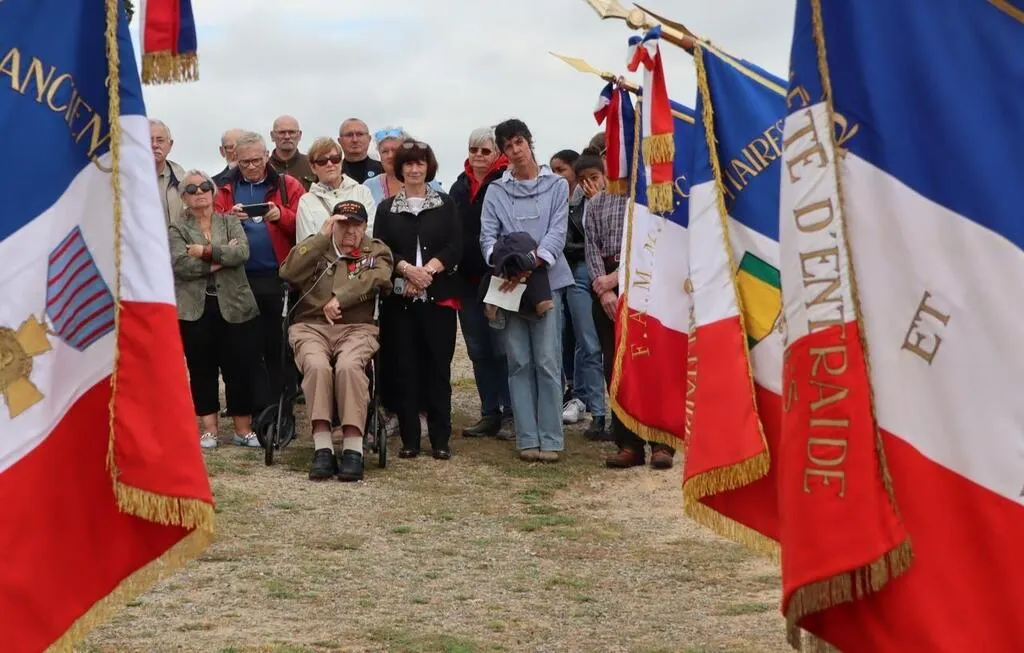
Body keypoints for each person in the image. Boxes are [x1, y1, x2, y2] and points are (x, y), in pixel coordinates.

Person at [279, 200, 394, 481]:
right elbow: (287, 273)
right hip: (311, 326)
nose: (349, 231)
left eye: (356, 225)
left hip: (357, 327)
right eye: (343, 224)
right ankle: (323, 448)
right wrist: (321, 238)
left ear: (365, 226)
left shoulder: (375, 250)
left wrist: (340, 297)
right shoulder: (316, 247)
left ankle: (354, 447)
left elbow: (379, 278)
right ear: (333, 224)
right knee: (317, 366)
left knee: (349, 367)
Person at [481, 119, 571, 462]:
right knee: (518, 361)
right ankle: (526, 438)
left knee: (548, 361)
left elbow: (557, 232)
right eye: (508, 147)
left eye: (519, 142)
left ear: (529, 142)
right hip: (508, 286)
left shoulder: (557, 186)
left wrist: (531, 262)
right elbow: (487, 237)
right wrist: (505, 264)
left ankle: (551, 438)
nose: (515, 150)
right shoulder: (496, 191)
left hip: (547, 281)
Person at [373, 139, 462, 460]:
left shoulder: (446, 204)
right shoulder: (386, 208)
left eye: (419, 163)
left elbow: (455, 245)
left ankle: (440, 439)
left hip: (438, 299)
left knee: (438, 369)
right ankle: (411, 439)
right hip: (401, 302)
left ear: (428, 167)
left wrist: (429, 272)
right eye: (408, 164)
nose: (414, 169)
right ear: (400, 168)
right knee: (405, 368)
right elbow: (381, 249)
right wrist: (408, 272)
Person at [584, 158, 674, 469]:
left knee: (652, 363)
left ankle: (662, 442)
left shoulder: (648, 199)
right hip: (606, 289)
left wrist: (619, 278)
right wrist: (604, 288)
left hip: (646, 282)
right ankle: (628, 442)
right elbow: (591, 246)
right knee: (615, 365)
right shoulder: (596, 204)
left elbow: (652, 243)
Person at [168, 170, 262, 449]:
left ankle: (242, 429)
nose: (199, 193)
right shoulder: (177, 228)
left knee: (239, 367)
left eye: (205, 187)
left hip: (235, 304)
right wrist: (221, 258)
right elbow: (181, 265)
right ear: (184, 197)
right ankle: (209, 430)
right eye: (192, 189)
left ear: (213, 191)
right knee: (201, 368)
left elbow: (242, 253)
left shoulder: (230, 220)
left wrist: (205, 251)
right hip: (195, 308)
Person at [213, 131, 304, 410]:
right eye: (244, 162)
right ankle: (251, 406)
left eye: (256, 160)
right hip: (239, 278)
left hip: (278, 276)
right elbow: (212, 227)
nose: (251, 167)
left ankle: (280, 409)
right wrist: (231, 219)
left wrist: (280, 215)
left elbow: (306, 229)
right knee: (243, 347)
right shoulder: (224, 188)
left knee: (278, 346)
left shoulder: (289, 185)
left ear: (267, 156)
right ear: (235, 160)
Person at [448, 126, 514, 438]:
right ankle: (489, 412)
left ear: (498, 154)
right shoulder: (458, 186)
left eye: (485, 151)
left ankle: (513, 412)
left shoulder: (506, 182)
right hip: (466, 280)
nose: (478, 156)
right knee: (477, 349)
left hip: (499, 277)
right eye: (474, 150)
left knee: (503, 347)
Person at [557, 152, 609, 438]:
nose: (588, 184)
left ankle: (620, 414)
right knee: (588, 344)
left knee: (612, 345)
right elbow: (569, 245)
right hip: (579, 273)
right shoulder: (571, 207)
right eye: (582, 179)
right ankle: (598, 413)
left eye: (594, 177)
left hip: (609, 274)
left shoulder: (615, 201)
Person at [296, 136, 376, 242]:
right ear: (313, 168)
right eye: (322, 161)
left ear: (341, 163)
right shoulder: (306, 201)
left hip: (361, 256)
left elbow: (370, 232)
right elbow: (306, 243)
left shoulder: (362, 192)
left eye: (335, 159)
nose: (330, 164)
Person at [150, 118, 186, 224]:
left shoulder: (182, 177)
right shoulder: (126, 177)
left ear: (170, 145)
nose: (154, 145)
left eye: (160, 140)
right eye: (149, 140)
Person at [269, 115, 316, 191]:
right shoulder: (264, 168)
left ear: (300, 135)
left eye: (292, 132)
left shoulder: (313, 164)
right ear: (272, 136)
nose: (287, 136)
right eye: (282, 132)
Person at [337, 118, 385, 183]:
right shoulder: (333, 172)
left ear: (369, 139)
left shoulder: (384, 170)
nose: (355, 140)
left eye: (360, 134)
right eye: (349, 135)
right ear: (340, 141)